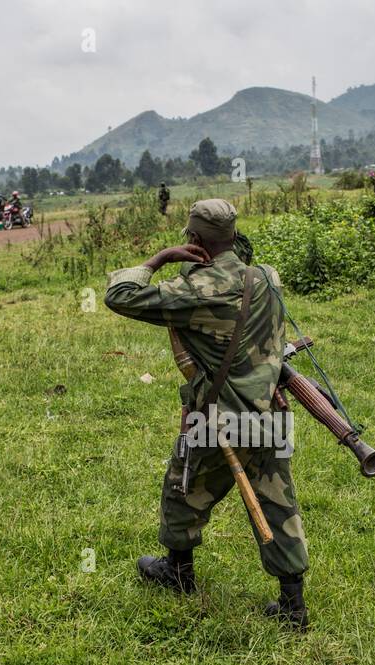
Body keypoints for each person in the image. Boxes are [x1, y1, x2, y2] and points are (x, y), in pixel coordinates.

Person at [103, 199, 310, 628]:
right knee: (278, 502)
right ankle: (294, 605)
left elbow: (119, 295)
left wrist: (161, 259)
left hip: (215, 419)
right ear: (234, 236)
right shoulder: (266, 277)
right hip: (267, 409)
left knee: (182, 487)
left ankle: (177, 572)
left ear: (194, 240)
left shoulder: (194, 291)